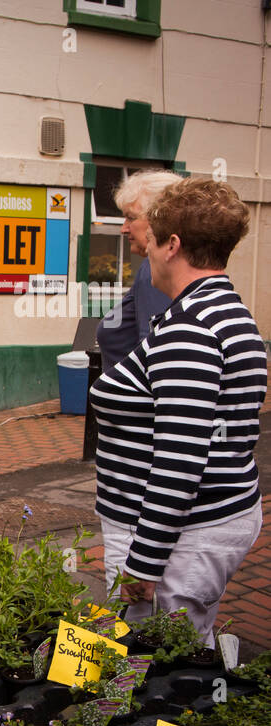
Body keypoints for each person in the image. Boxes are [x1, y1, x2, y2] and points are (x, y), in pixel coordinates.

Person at [90, 178, 266, 646]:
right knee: (183, 653)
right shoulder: (223, 312)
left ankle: (172, 720)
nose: (142, 250)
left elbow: (181, 458)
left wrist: (143, 564)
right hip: (199, 526)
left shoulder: (190, 328)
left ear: (173, 245)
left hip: (181, 536)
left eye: (151, 240)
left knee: (162, 662)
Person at [96, 170, 181, 371]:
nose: (123, 229)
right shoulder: (173, 265)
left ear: (159, 220)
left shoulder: (156, 270)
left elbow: (152, 352)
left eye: (130, 218)